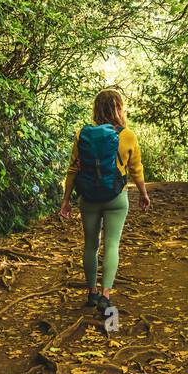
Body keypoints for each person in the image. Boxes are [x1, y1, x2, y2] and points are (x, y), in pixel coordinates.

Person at [58, 89, 151, 315]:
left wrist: (66, 200)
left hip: (88, 197)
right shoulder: (127, 136)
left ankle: (91, 293)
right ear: (119, 108)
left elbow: (72, 169)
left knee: (90, 245)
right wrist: (143, 194)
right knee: (111, 245)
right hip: (116, 198)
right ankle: (106, 296)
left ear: (96, 108)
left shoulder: (83, 134)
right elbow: (136, 170)